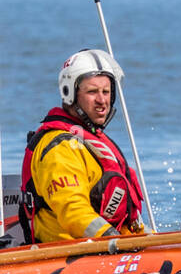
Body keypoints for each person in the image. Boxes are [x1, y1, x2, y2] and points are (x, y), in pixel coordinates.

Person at [19, 49, 147, 243]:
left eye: (106, 92)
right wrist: (111, 237)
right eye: (92, 92)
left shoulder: (91, 142)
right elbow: (74, 212)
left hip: (107, 246)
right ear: (70, 94)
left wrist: (147, 238)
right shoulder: (59, 148)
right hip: (68, 250)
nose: (102, 101)